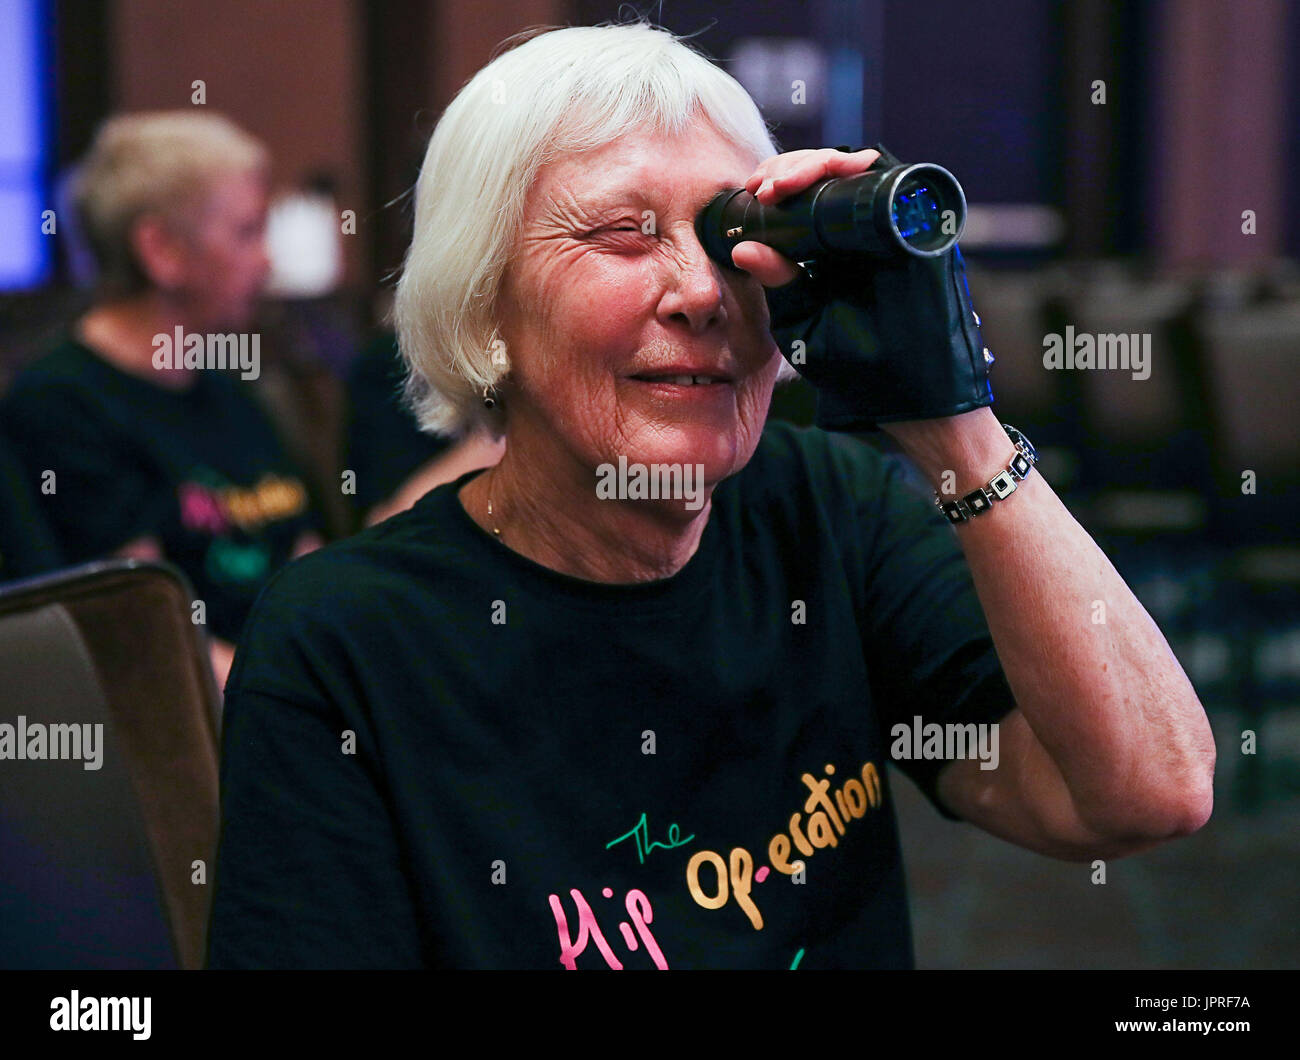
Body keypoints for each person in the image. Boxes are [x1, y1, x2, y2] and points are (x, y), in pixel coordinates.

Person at [207, 23, 1215, 969]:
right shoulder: (345, 636)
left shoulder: (829, 506)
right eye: (621, 234)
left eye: (729, 232)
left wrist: (953, 420)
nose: (702, 291)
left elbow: (1141, 794)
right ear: (483, 305)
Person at [0, 112, 324, 690]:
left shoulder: (229, 386)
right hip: (197, 727)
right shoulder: (62, 406)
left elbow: (311, 565)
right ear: (161, 250)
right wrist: (298, 704)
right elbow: (146, 634)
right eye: (247, 232)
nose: (268, 259)